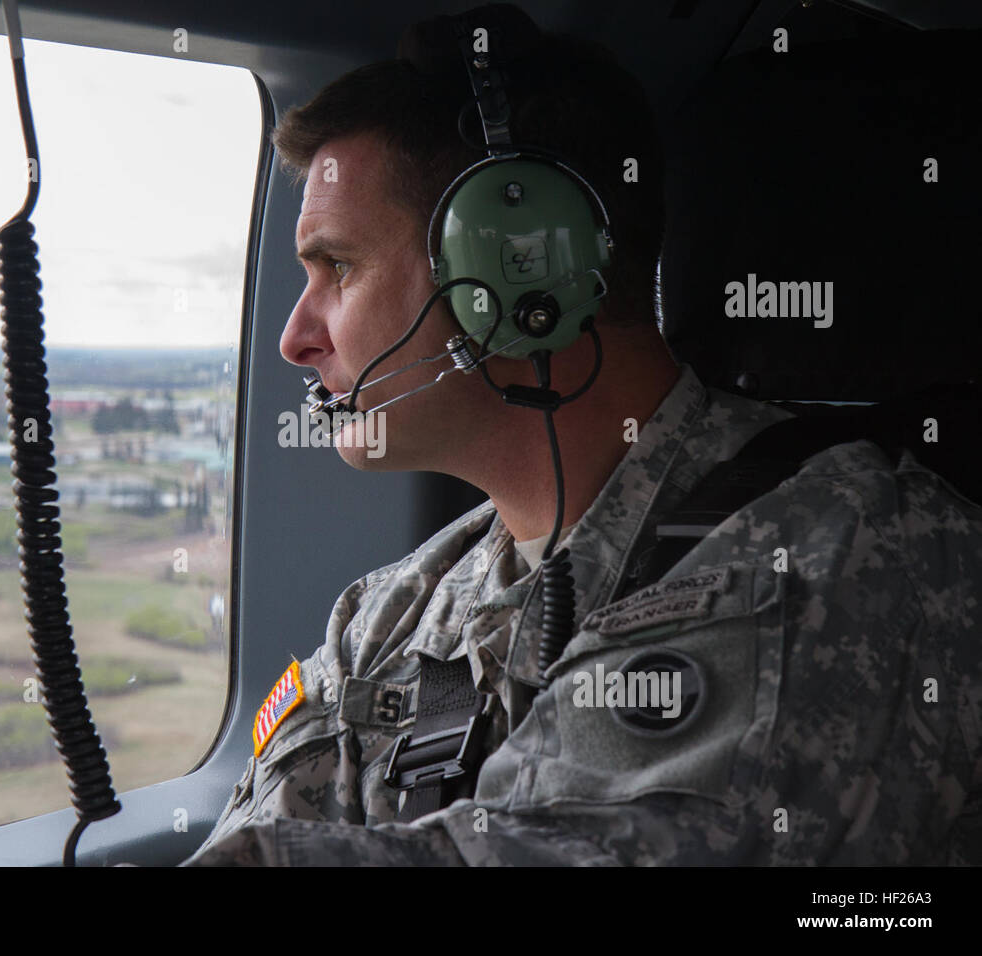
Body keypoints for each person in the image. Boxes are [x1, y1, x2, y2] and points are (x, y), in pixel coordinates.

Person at [181, 4, 982, 866]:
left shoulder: (837, 554)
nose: (295, 338)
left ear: (518, 265)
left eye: (337, 267)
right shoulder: (388, 618)